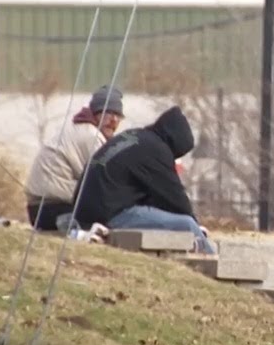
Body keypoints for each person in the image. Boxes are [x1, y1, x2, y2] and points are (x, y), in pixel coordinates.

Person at [72, 105, 215, 254]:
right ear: (174, 144)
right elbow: (175, 198)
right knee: (187, 225)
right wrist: (196, 225)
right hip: (109, 215)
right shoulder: (157, 150)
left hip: (84, 210)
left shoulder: (134, 137)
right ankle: (210, 259)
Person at [24, 85, 124, 231]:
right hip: (54, 209)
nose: (114, 120)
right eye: (108, 113)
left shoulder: (78, 128)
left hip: (39, 209)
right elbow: (106, 183)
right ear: (96, 113)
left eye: (118, 115)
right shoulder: (91, 136)